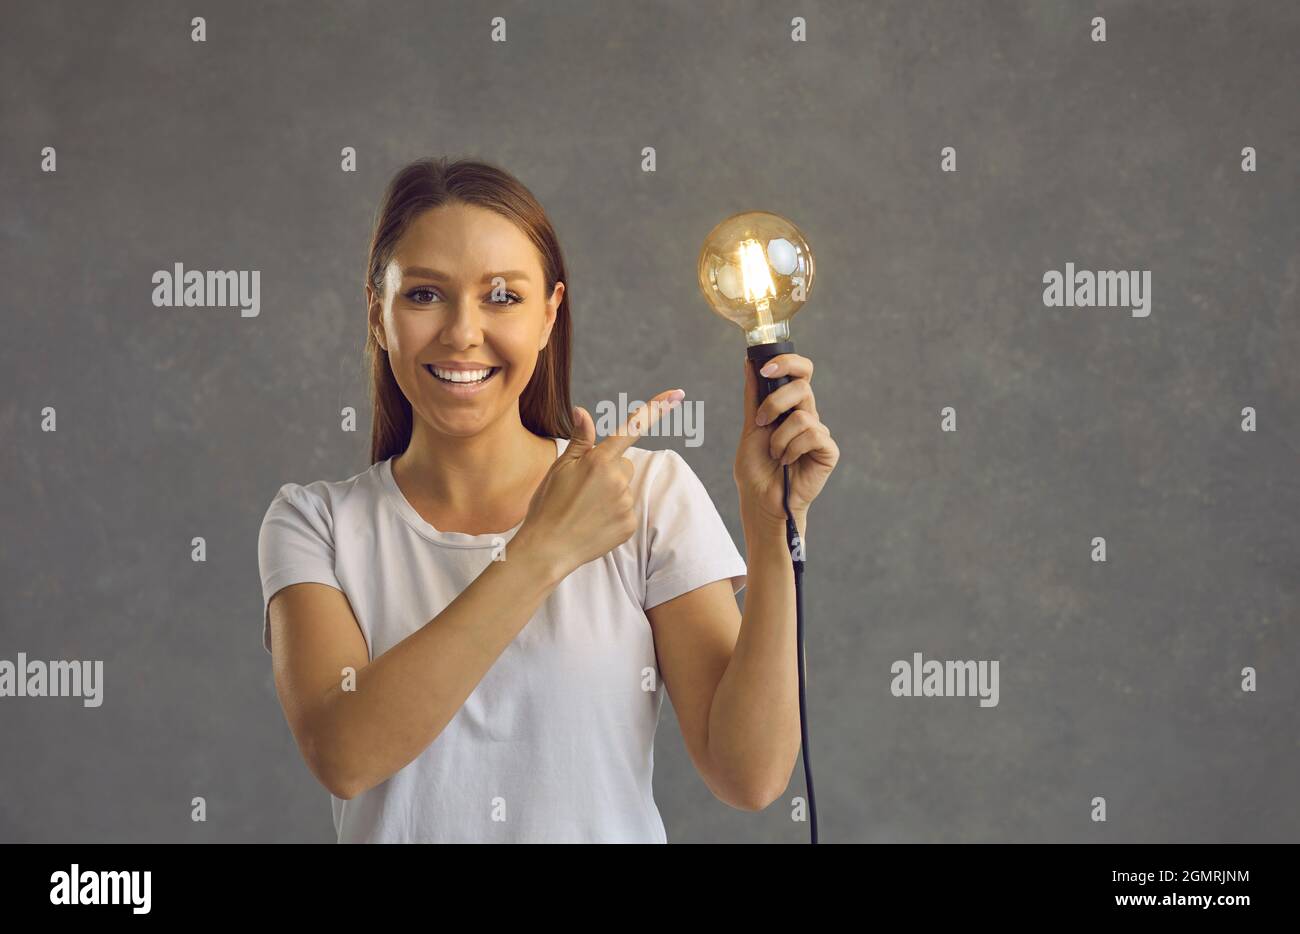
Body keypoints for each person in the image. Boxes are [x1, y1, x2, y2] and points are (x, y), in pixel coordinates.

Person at [256, 157, 839, 843]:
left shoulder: (645, 495)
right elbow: (345, 754)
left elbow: (749, 775)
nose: (462, 332)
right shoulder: (314, 523)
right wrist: (541, 552)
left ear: (548, 315)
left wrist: (772, 531)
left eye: (502, 296)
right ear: (378, 316)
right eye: (423, 296)